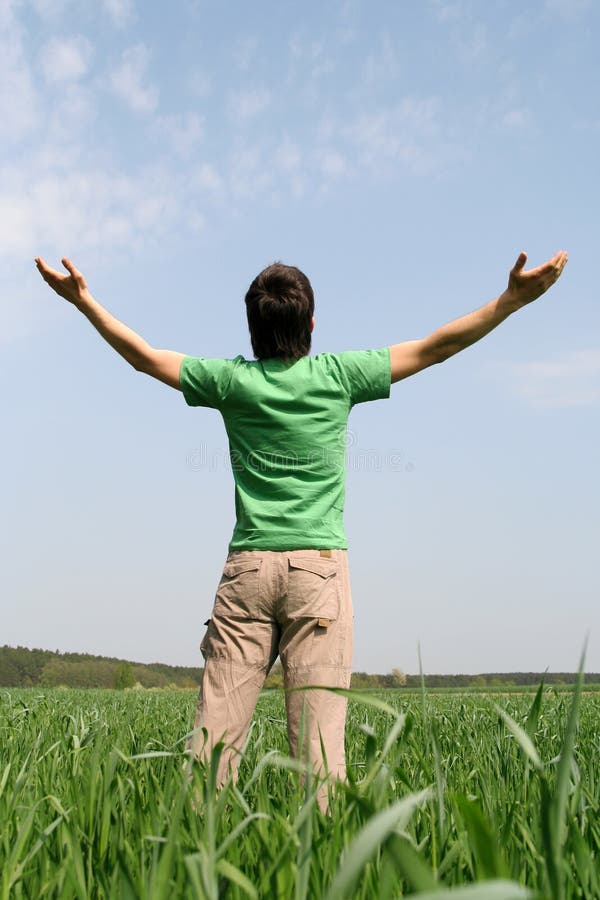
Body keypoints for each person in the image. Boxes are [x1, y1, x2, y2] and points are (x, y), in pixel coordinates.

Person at [36, 249, 568, 808]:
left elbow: (144, 358)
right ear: (311, 324)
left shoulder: (231, 382)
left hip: (246, 572)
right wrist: (510, 301)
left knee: (211, 749)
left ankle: (194, 865)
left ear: (252, 328)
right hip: (318, 574)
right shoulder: (338, 376)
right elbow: (437, 347)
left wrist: (83, 301)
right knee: (319, 758)